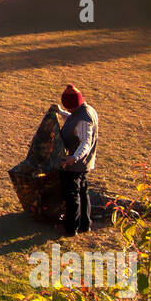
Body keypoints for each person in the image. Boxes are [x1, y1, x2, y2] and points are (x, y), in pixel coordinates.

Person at [53, 84, 99, 236]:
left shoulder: (84, 120)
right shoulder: (87, 110)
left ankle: (71, 227)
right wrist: (60, 112)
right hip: (84, 163)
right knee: (83, 192)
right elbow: (73, 117)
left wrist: (74, 158)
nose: (70, 110)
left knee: (72, 194)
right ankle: (85, 224)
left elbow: (85, 142)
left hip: (75, 164)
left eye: (69, 107)